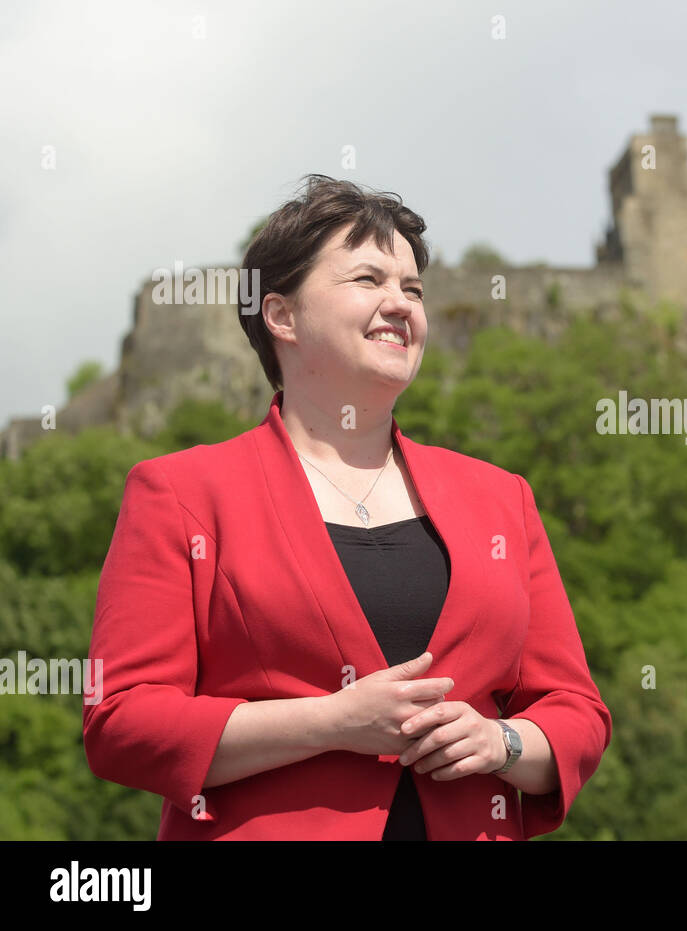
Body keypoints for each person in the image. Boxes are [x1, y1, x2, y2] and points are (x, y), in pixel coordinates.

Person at [83, 175, 612, 840]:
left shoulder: (502, 498)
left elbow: (576, 711)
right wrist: (332, 722)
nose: (402, 304)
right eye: (369, 279)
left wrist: (500, 740)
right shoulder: (181, 493)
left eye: (413, 289)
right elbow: (121, 722)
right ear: (281, 315)